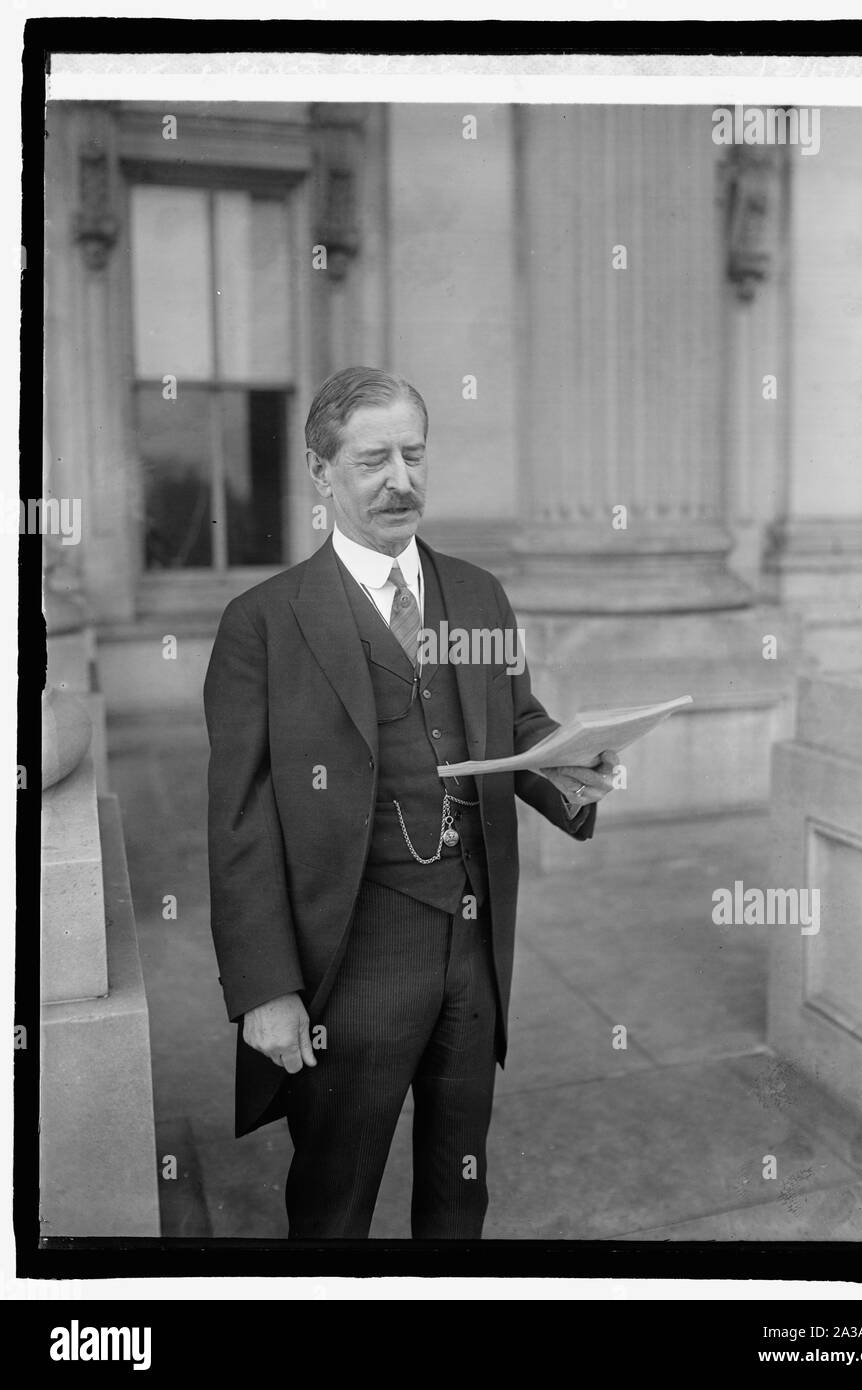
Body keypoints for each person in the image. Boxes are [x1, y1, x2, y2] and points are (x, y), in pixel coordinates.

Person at [204, 366, 617, 1239]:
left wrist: (575, 772)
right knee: (333, 1199)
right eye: (373, 460)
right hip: (353, 956)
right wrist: (266, 991)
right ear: (322, 473)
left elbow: (516, 725)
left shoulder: (476, 594)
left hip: (472, 948)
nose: (401, 480)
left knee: (458, 1189)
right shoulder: (264, 623)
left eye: (414, 455)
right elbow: (239, 823)